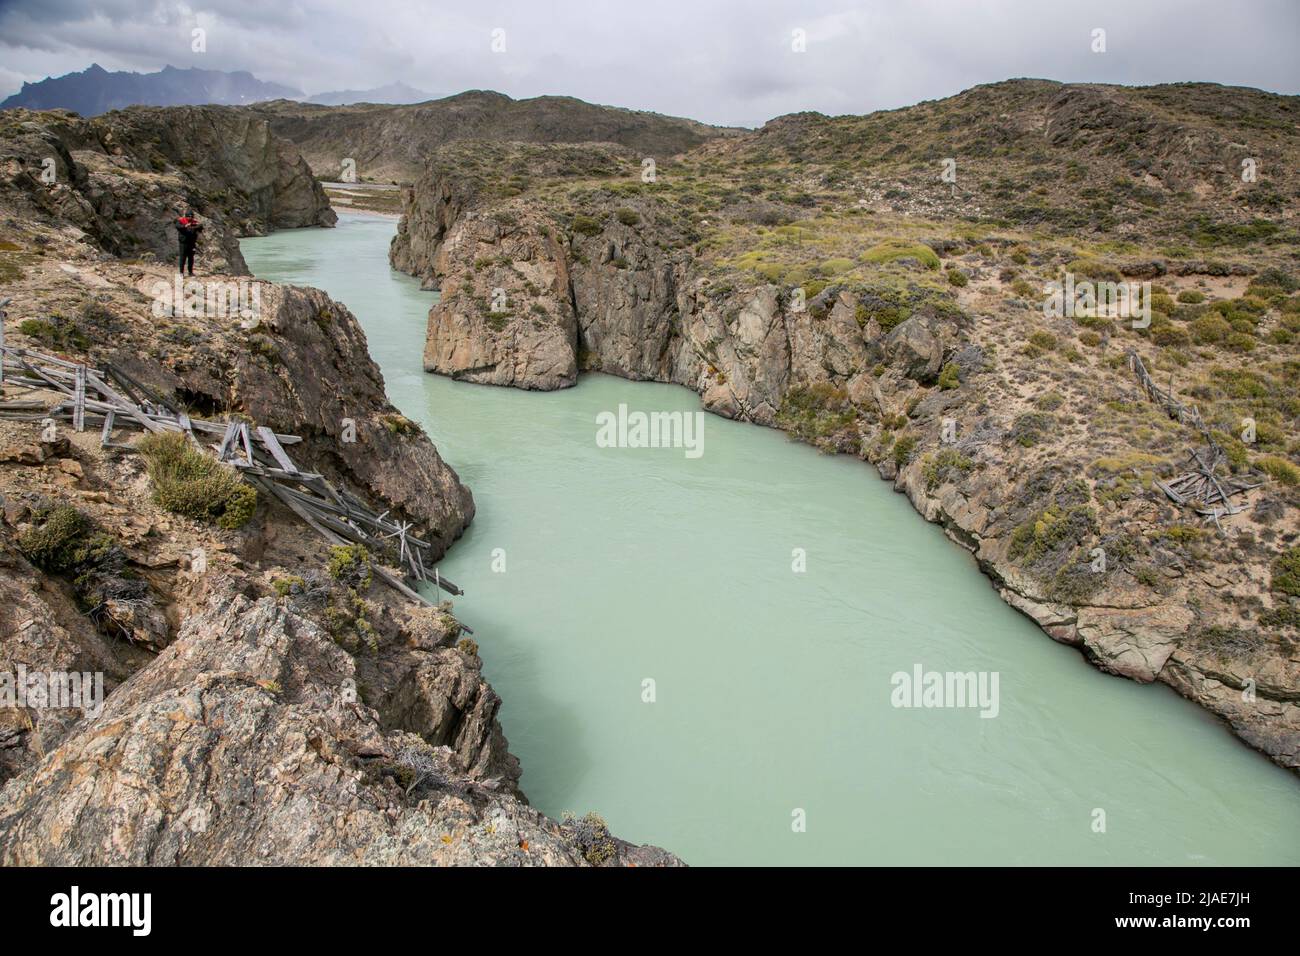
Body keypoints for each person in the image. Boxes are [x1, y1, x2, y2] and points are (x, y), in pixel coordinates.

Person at [175, 210, 203, 275]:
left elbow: (201, 227)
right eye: (189, 216)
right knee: (183, 258)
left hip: (192, 243)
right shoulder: (181, 221)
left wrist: (194, 226)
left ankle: (190, 272)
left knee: (191, 258)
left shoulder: (194, 222)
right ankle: (181, 273)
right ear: (186, 216)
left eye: (191, 216)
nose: (190, 218)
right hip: (183, 242)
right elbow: (178, 226)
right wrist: (185, 226)